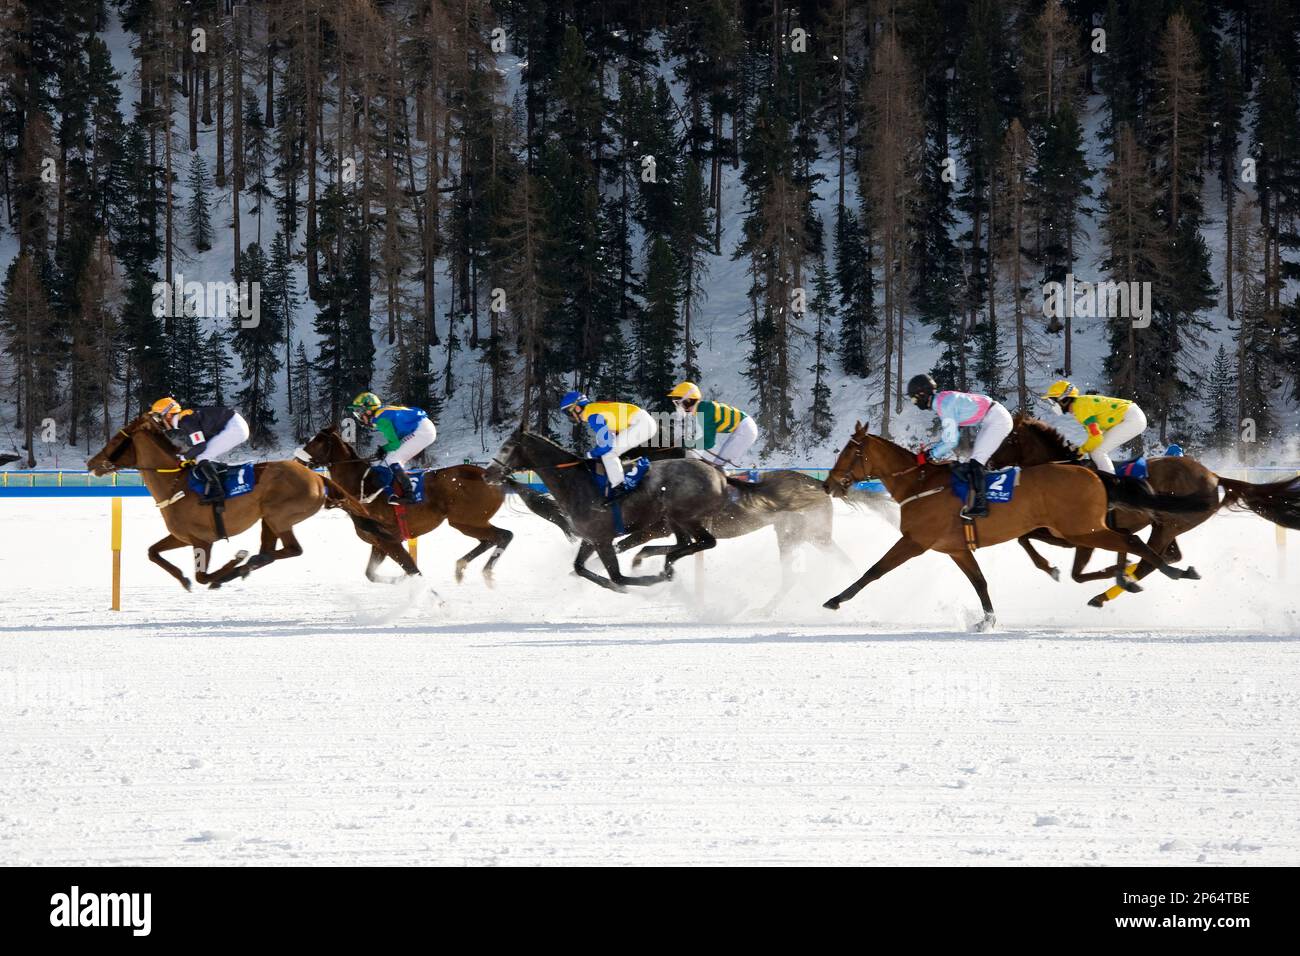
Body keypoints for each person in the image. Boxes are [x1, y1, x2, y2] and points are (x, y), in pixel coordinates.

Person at [906, 374, 1013, 520]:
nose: (915, 403)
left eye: (914, 399)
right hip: (991, 417)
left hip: (996, 419)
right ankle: (983, 496)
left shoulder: (943, 405)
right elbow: (950, 436)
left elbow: (951, 441)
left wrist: (929, 455)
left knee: (976, 462)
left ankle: (981, 506)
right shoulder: (942, 400)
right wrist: (933, 452)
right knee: (974, 461)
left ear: (922, 394)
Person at [560, 390, 657, 503]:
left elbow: (606, 446)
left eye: (568, 413)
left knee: (608, 453)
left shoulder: (592, 414)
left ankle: (621, 486)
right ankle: (632, 470)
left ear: (577, 408)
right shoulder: (595, 410)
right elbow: (606, 438)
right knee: (607, 450)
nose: (570, 417)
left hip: (642, 424)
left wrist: (590, 454)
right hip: (643, 422)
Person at [149, 397, 250, 503]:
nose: (158, 422)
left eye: (158, 417)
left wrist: (184, 457)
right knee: (201, 456)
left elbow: (200, 446)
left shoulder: (185, 421)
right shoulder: (183, 420)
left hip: (235, 427)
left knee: (202, 456)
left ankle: (218, 491)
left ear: (168, 415)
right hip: (233, 424)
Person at [347, 391, 437, 504]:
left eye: (360, 412)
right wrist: (385, 449)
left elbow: (395, 444)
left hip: (423, 431)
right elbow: (396, 441)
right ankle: (396, 491)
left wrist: (384, 449)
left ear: (369, 410)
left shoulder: (381, 419)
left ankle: (410, 495)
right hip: (422, 428)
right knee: (390, 459)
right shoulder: (380, 414)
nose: (360, 416)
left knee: (392, 460)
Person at [1041, 380, 1147, 474]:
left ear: (1063, 399)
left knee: (1097, 452)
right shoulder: (1080, 405)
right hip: (1132, 415)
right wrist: (1081, 450)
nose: (1053, 405)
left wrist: (1080, 451)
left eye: (1053, 401)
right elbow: (1095, 436)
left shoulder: (1080, 408)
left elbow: (1096, 437)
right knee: (1095, 451)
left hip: (1132, 418)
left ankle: (1111, 485)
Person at [667, 381, 758, 471]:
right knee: (717, 466)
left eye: (678, 403)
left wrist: (684, 443)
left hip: (746, 429)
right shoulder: (699, 410)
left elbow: (708, 443)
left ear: (688, 401)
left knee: (718, 467)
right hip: (743, 427)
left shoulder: (704, 412)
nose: (677, 407)